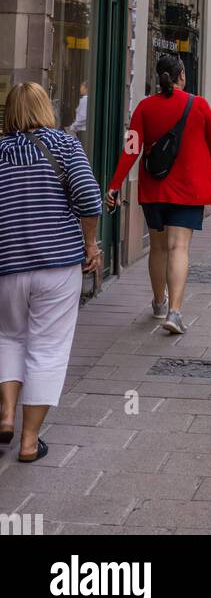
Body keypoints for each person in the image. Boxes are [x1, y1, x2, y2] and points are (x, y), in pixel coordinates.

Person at [0, 83, 102, 463]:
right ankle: (29, 441)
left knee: (8, 337)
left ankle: (6, 414)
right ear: (46, 108)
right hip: (57, 264)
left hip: (7, 265)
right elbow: (90, 198)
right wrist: (90, 245)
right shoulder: (63, 144)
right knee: (47, 349)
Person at [106, 54, 211, 335]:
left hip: (155, 189)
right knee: (179, 248)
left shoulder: (144, 108)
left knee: (158, 248)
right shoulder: (199, 105)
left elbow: (131, 148)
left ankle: (159, 302)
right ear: (181, 75)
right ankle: (175, 311)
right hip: (188, 190)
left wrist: (115, 183)